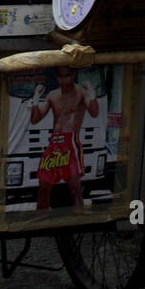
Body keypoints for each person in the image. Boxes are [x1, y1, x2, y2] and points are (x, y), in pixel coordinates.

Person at [29, 67, 99, 211]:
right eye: (61, 76)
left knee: (75, 190)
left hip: (70, 143)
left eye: (67, 76)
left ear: (73, 74)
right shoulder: (52, 95)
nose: (64, 80)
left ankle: (77, 228)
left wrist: (92, 93)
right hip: (54, 144)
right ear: (56, 76)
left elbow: (94, 112)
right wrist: (36, 98)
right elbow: (35, 119)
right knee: (42, 191)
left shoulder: (80, 92)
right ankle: (40, 227)